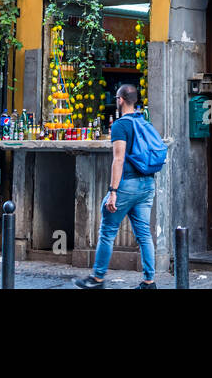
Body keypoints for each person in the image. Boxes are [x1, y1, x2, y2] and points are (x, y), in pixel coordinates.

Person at [75, 84, 157, 289]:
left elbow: (118, 159)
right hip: (147, 184)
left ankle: (98, 278)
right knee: (144, 234)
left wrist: (113, 192)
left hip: (127, 185)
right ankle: (149, 282)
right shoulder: (144, 121)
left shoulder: (121, 125)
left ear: (120, 100)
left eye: (117, 98)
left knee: (107, 231)